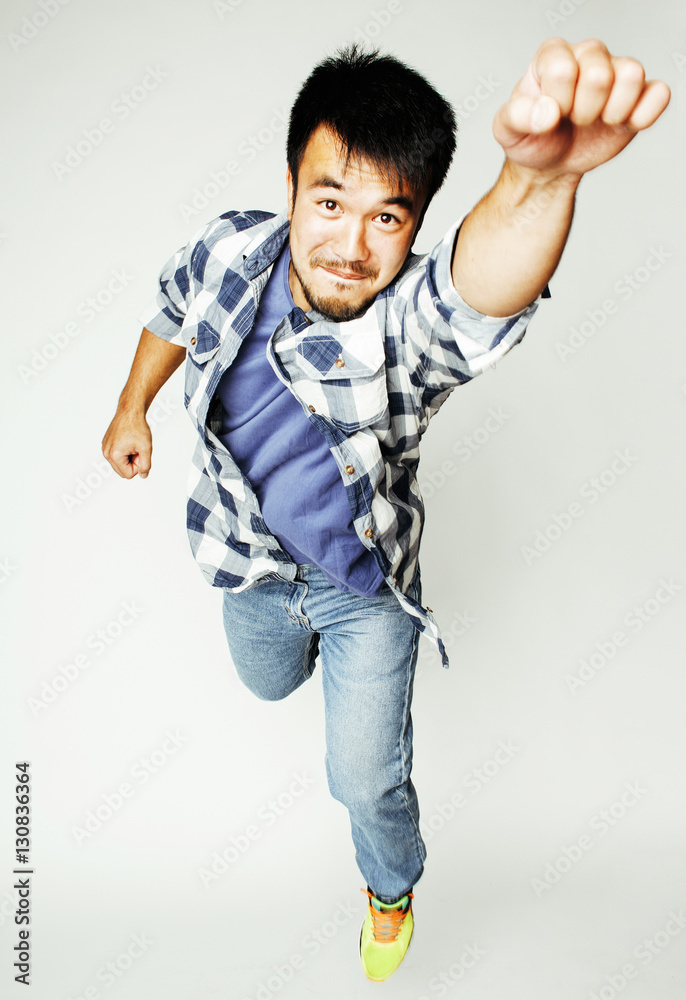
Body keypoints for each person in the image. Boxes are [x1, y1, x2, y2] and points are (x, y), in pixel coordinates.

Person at [102, 38, 669, 982]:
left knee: (359, 776)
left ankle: (391, 887)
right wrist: (131, 408)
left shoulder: (401, 324)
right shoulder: (228, 249)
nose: (350, 244)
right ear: (291, 183)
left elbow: (472, 297)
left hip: (361, 590)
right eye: (329, 203)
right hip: (245, 563)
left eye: (387, 219)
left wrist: (541, 184)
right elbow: (170, 308)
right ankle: (292, 647)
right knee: (265, 683)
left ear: (416, 227)